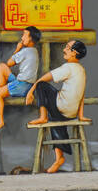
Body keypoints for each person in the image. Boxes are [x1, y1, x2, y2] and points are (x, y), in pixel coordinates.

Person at [27, 39, 90, 173]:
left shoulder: (68, 67)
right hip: (71, 111)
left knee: (41, 85)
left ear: (74, 53)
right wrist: (80, 115)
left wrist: (31, 91)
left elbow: (44, 79)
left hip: (62, 107)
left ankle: (43, 117)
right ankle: (59, 158)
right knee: (55, 117)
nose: (64, 50)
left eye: (67, 48)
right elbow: (81, 95)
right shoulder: (82, 69)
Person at [0, 25, 41, 135]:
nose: (22, 38)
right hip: (25, 84)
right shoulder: (34, 51)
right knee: (1, 67)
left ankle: (0, 121)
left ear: (30, 39)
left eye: (24, 35)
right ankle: (3, 91)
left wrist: (17, 49)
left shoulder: (25, 51)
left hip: (22, 85)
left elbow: (10, 63)